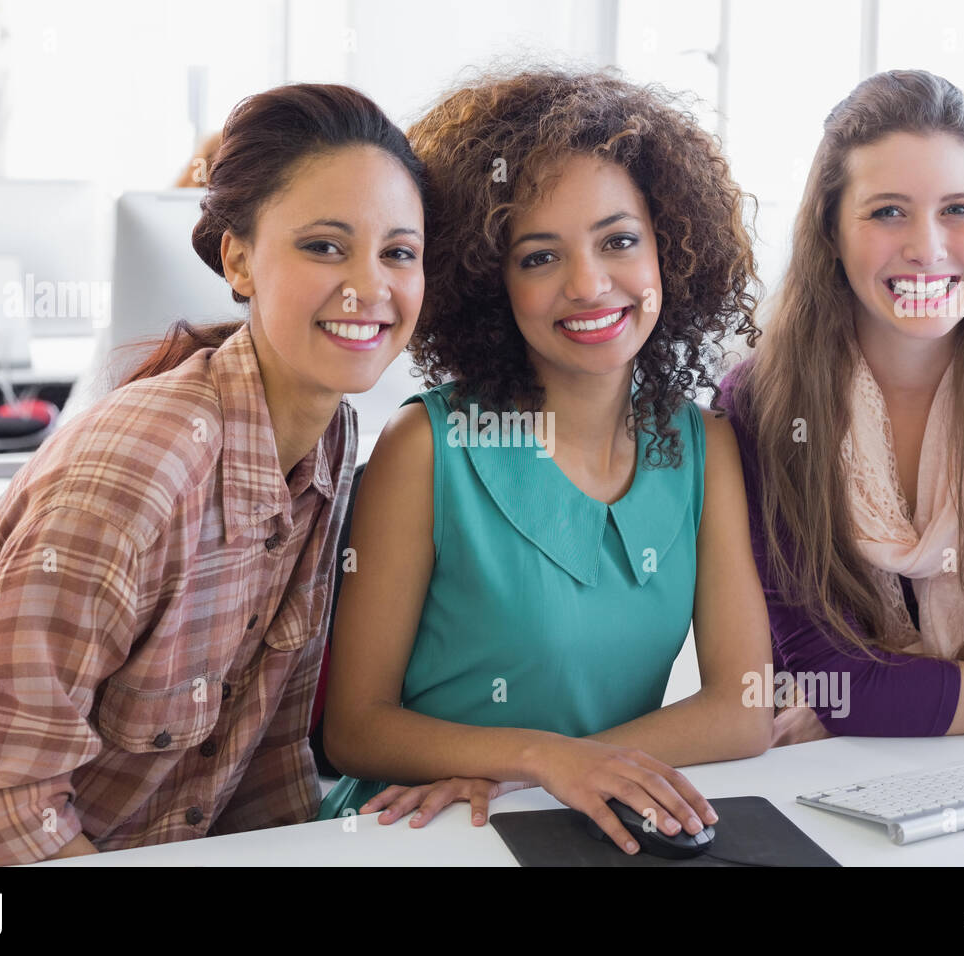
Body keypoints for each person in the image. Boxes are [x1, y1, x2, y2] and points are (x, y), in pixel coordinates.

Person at [0, 83, 426, 865]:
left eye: (398, 252)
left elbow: (266, 758)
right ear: (239, 259)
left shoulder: (326, 440)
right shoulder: (143, 472)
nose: (371, 285)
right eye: (324, 245)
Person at [320, 67, 773, 856]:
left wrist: (570, 775)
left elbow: (743, 705)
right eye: (539, 257)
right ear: (489, 279)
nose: (589, 285)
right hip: (425, 830)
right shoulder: (427, 448)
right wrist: (544, 761)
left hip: (586, 824)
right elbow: (355, 729)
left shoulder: (707, 448)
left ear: (670, 246)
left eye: (619, 241)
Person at [715, 70, 964, 747]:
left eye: (958, 209)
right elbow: (848, 689)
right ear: (830, 233)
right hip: (830, 790)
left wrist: (893, 695)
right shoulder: (761, 405)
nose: (928, 248)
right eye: (888, 211)